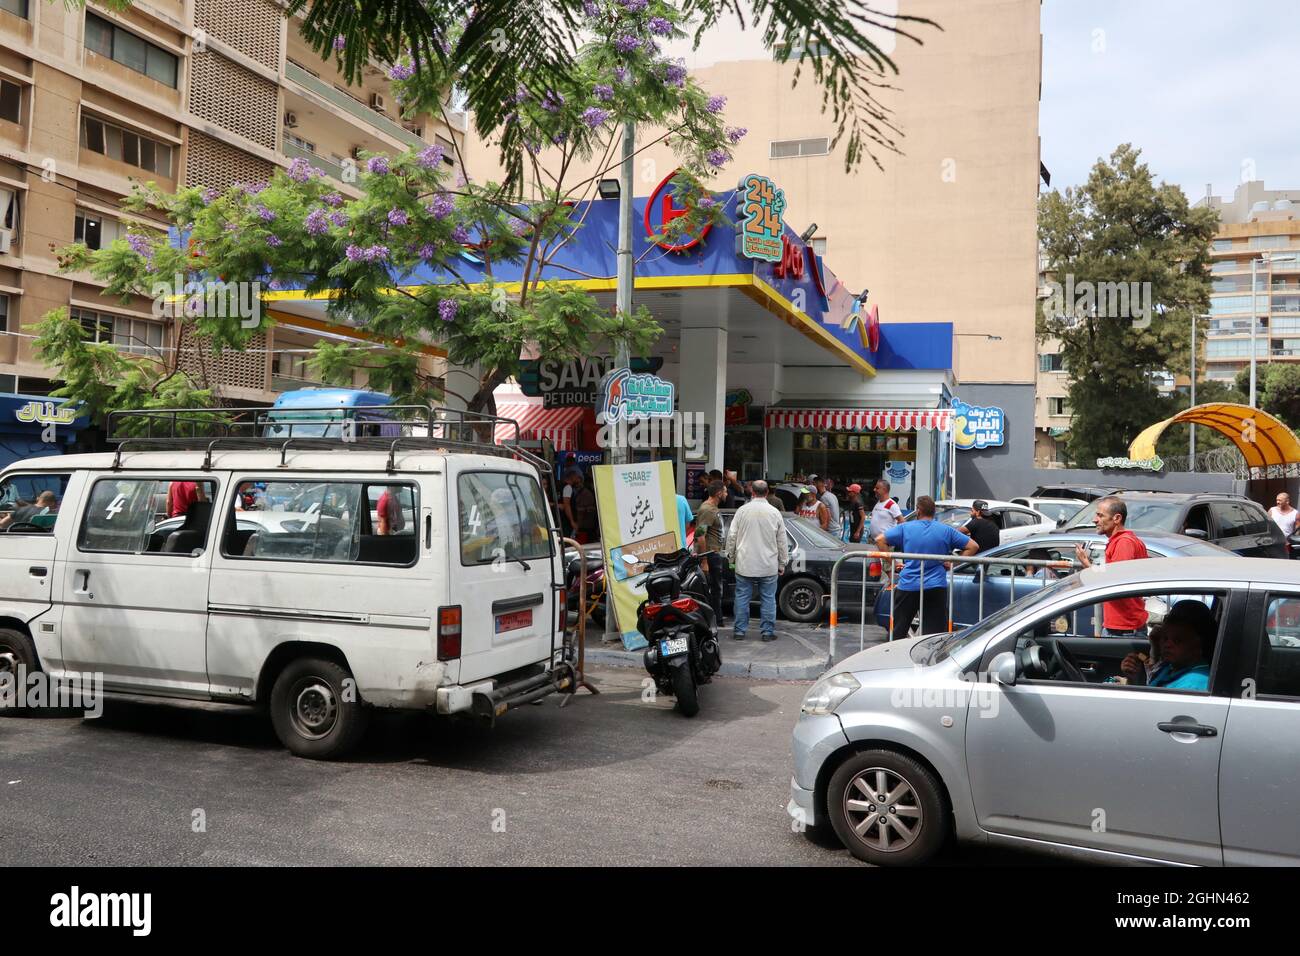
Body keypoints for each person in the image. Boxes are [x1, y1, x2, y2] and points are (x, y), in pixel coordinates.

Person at [876, 495, 978, 640]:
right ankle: (929, 661)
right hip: (935, 586)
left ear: (918, 510)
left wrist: (893, 562)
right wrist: (954, 563)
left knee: (898, 630)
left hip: (909, 585)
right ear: (933, 512)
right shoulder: (945, 530)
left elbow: (880, 540)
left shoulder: (906, 527)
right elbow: (973, 546)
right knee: (933, 635)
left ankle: (895, 658)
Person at [1074, 496, 1150, 637]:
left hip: (1124, 631)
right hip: (1121, 628)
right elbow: (1107, 574)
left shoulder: (1124, 543)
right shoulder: (1120, 541)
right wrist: (1087, 563)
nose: (1094, 520)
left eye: (1100, 515)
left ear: (1117, 518)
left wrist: (1086, 564)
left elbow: (1114, 582)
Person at [724, 480, 788, 642]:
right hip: (768, 565)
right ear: (767, 493)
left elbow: (732, 536)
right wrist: (782, 563)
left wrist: (731, 557)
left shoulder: (742, 511)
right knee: (768, 598)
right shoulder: (774, 513)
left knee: (742, 597)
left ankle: (739, 631)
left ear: (752, 492)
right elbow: (782, 541)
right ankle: (767, 632)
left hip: (745, 564)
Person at [1120, 600, 1216, 690]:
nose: (1167, 644)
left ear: (1198, 646)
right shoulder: (1170, 667)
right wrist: (1133, 679)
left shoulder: (1193, 684)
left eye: (1177, 640)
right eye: (1164, 638)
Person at [694, 480, 727, 625]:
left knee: (716, 588)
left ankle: (717, 618)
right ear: (719, 493)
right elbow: (700, 535)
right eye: (725, 491)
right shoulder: (707, 509)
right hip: (710, 555)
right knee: (713, 589)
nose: (727, 494)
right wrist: (704, 561)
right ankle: (714, 620)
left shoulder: (713, 508)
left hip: (715, 553)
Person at [570, 471, 599, 544]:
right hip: (583, 524)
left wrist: (577, 524)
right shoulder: (578, 492)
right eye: (576, 484)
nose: (577, 485)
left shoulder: (586, 493)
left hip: (585, 525)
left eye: (578, 483)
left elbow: (585, 510)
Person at [559, 467, 581, 537]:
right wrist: (572, 521)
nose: (578, 479)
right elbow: (567, 505)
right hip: (565, 521)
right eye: (577, 477)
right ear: (572, 477)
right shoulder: (568, 487)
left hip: (561, 518)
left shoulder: (560, 486)